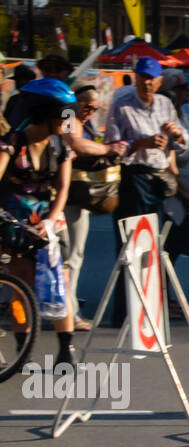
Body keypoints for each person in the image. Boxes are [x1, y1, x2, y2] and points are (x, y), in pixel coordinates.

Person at [105, 56, 187, 329]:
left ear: (159, 80)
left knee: (154, 247)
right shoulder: (121, 105)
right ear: (135, 77)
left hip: (159, 179)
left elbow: (183, 144)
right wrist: (142, 143)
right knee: (131, 246)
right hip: (134, 178)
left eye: (151, 78)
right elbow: (112, 147)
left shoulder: (165, 104)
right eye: (142, 77)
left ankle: (148, 311)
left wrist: (177, 135)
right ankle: (123, 313)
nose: (147, 82)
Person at [0, 77, 78, 364]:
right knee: (20, 285)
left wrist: (52, 219)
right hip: (18, 220)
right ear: (45, 114)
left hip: (51, 220)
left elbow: (64, 188)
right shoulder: (13, 142)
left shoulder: (61, 146)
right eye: (63, 114)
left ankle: (65, 350)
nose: (68, 120)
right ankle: (23, 350)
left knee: (62, 283)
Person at [62, 84, 127, 328]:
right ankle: (71, 313)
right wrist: (107, 148)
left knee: (72, 254)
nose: (89, 111)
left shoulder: (78, 118)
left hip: (75, 196)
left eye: (94, 107)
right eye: (86, 105)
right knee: (71, 256)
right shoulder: (68, 115)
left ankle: (66, 308)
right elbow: (74, 144)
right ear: (75, 100)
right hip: (67, 197)